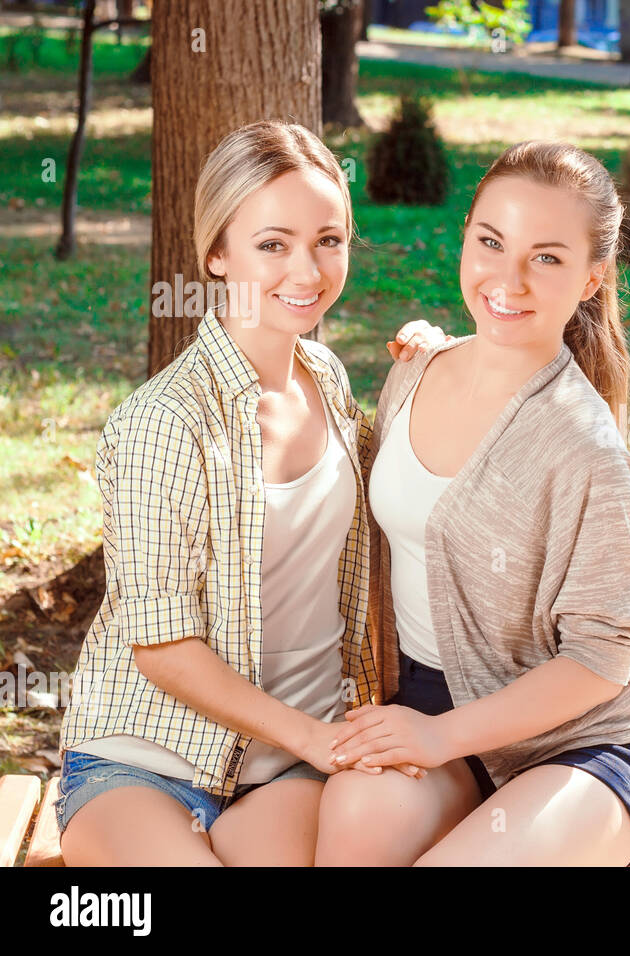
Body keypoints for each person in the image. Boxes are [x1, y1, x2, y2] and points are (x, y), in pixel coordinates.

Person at [56, 120, 445, 865]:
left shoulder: (327, 380)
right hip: (144, 760)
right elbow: (163, 648)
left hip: (288, 767)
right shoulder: (160, 423)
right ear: (216, 253)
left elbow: (399, 487)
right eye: (274, 244)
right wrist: (316, 739)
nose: (307, 269)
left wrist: (425, 371)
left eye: (328, 240)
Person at [316, 140, 630, 867]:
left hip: (576, 746)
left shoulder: (585, 449)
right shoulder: (417, 374)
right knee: (354, 817)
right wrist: (433, 731)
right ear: (466, 237)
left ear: (593, 277)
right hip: (426, 714)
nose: (508, 279)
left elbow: (603, 662)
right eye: (490, 243)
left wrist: (444, 735)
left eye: (546, 258)